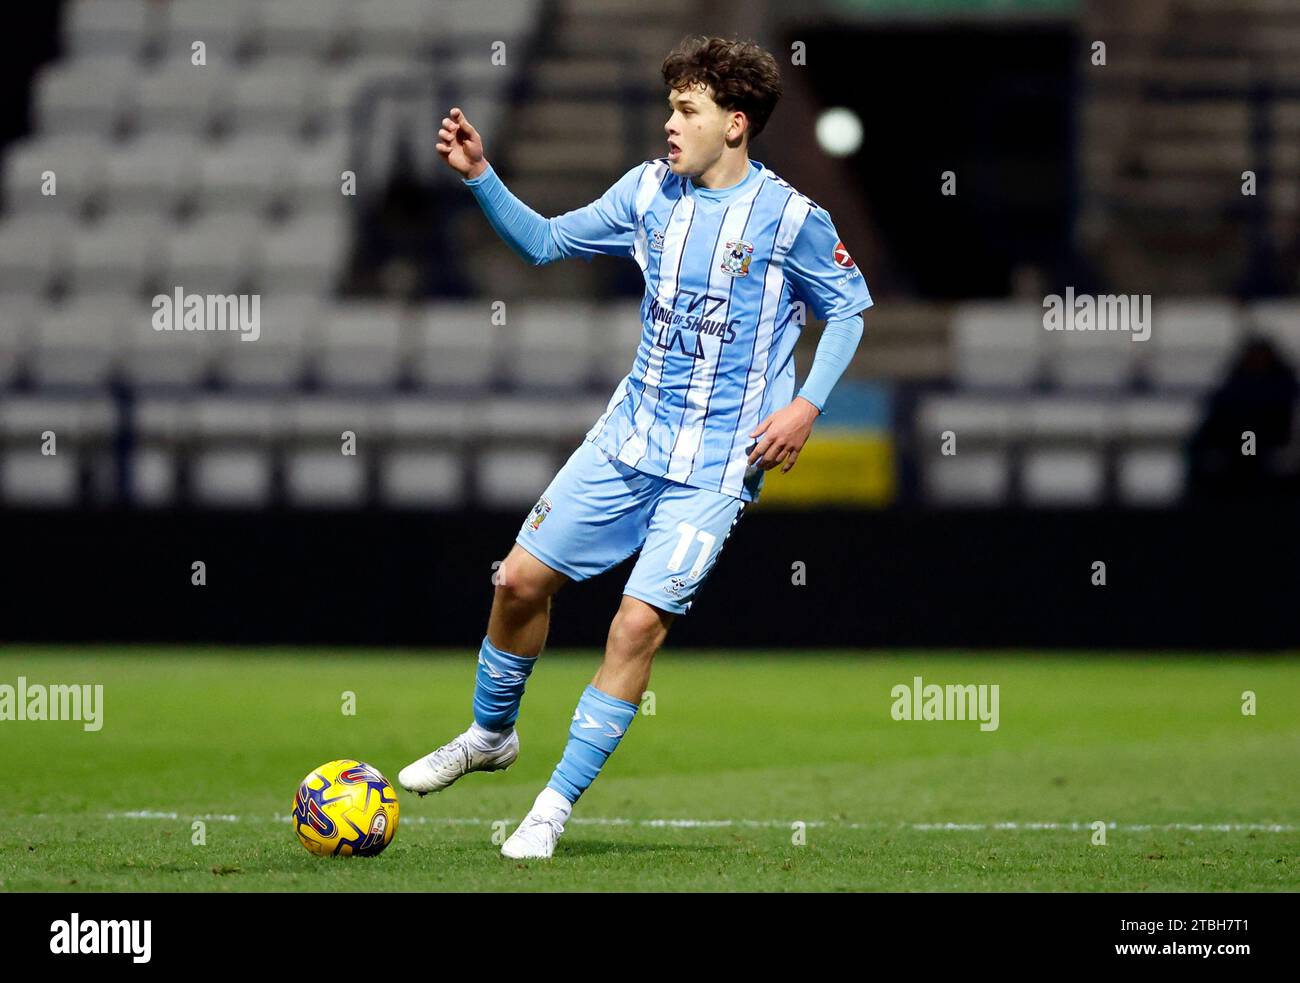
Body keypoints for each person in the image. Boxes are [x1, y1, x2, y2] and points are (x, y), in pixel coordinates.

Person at [399, 35, 873, 859]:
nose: (668, 124)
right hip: (626, 440)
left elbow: (850, 307)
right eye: (669, 105)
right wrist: (481, 177)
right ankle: (490, 733)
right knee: (516, 580)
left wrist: (804, 406)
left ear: (735, 124)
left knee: (635, 625)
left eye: (685, 110)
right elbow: (546, 243)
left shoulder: (791, 218)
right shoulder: (648, 192)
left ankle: (550, 807)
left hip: (718, 464)